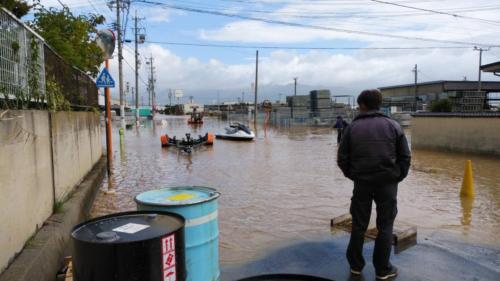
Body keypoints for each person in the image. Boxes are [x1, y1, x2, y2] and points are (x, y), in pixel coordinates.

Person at [337, 89, 411, 280]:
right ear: (379, 105)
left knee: (359, 224)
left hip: (362, 183)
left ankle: (355, 265)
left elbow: (342, 158)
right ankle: (383, 269)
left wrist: (353, 175)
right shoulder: (393, 125)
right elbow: (405, 157)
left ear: (362, 105)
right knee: (385, 225)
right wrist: (397, 176)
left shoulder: (352, 128)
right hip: (387, 184)